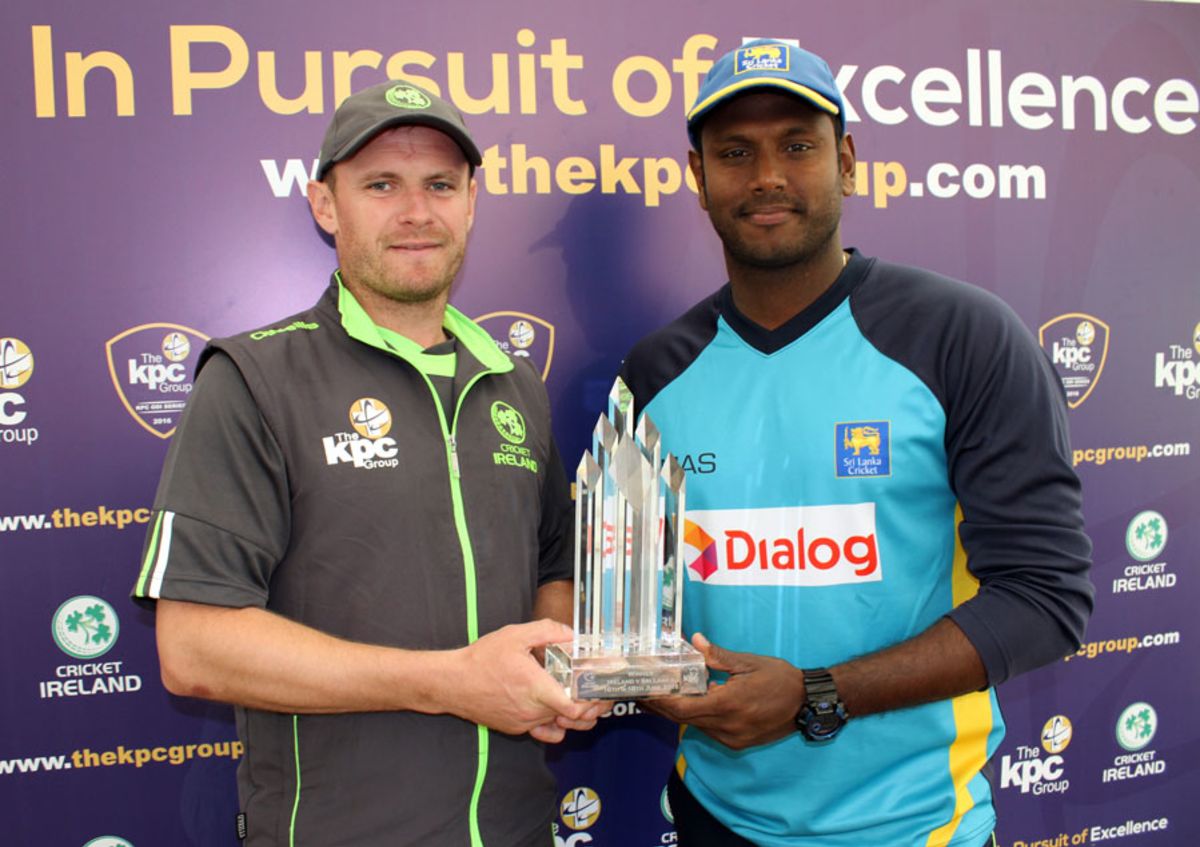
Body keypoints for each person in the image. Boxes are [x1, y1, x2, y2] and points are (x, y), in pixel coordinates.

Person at [620, 41, 1094, 847]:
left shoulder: (963, 335)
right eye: (735, 152)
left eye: (797, 146)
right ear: (697, 178)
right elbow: (625, 590)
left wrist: (815, 693)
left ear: (846, 161)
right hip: (713, 820)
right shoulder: (655, 370)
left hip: (915, 827)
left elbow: (1045, 599)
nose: (767, 175)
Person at [132, 80, 601, 847]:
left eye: (440, 185)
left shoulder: (513, 383)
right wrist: (449, 683)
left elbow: (556, 565)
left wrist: (558, 653)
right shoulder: (253, 378)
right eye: (381, 184)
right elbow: (193, 647)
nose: (417, 212)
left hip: (519, 829)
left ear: (471, 202)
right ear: (325, 204)